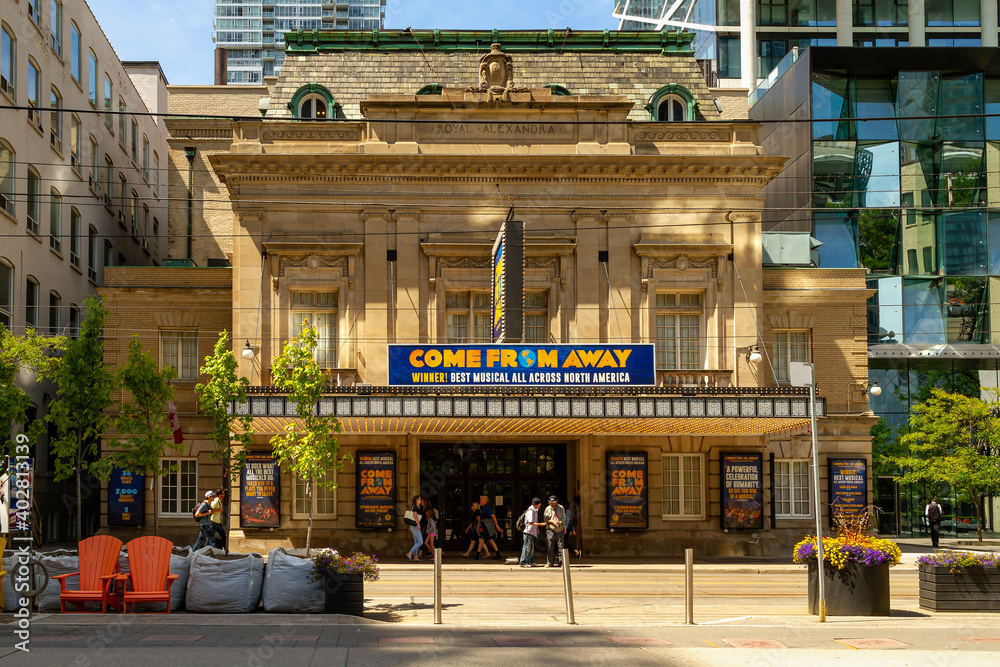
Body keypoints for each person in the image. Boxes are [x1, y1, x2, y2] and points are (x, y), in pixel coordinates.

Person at [519, 498, 545, 568]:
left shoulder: (535, 510)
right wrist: (540, 524)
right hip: (528, 531)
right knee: (527, 547)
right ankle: (523, 562)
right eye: (539, 503)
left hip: (533, 532)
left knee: (531, 547)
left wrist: (537, 529)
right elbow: (530, 522)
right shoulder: (530, 511)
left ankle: (530, 561)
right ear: (537, 504)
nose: (540, 505)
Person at [543, 495, 567, 567]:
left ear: (556, 502)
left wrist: (560, 522)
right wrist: (551, 521)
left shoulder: (561, 508)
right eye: (551, 503)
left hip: (559, 529)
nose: (553, 504)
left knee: (560, 546)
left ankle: (561, 563)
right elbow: (545, 519)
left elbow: (564, 517)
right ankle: (550, 562)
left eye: (554, 503)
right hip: (550, 529)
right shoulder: (547, 509)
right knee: (550, 546)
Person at [479, 495, 503, 560]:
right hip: (485, 526)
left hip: (487, 527)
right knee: (490, 540)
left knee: (481, 539)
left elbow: (493, 516)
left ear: (484, 500)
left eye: (481, 500)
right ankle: (498, 554)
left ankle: (477, 555)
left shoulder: (487, 508)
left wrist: (497, 526)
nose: (480, 501)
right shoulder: (484, 507)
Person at [405, 495, 424, 561]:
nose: (420, 500)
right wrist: (418, 524)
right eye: (419, 499)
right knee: (420, 542)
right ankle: (410, 553)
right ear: (416, 500)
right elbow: (415, 515)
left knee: (416, 542)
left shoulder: (414, 506)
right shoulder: (415, 507)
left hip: (413, 526)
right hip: (415, 526)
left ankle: (415, 557)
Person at [210, 488, 228, 553]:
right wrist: (218, 510)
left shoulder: (219, 501)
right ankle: (225, 549)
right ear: (219, 495)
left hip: (217, 522)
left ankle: (225, 549)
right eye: (223, 494)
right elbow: (210, 509)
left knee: (223, 535)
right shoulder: (216, 501)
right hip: (214, 522)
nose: (224, 495)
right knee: (211, 537)